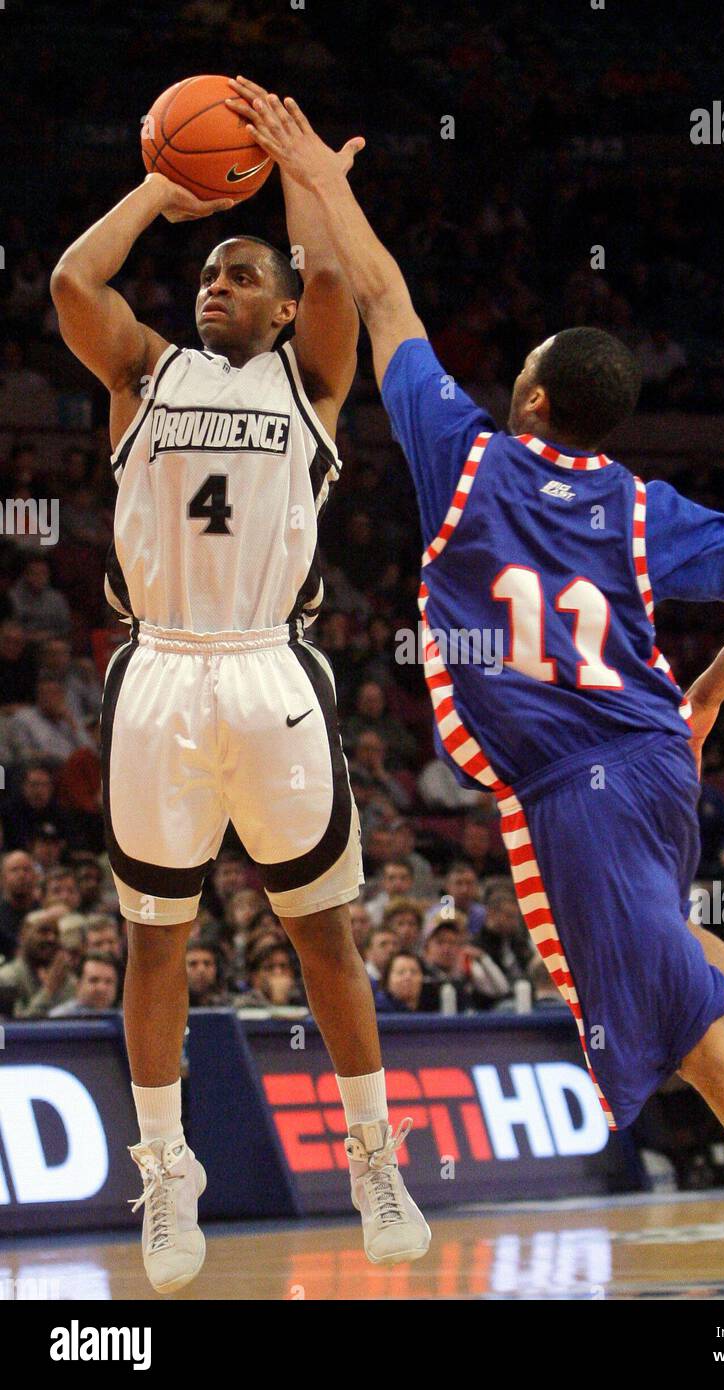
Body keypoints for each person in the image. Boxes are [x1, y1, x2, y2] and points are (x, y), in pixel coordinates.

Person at [265, 93, 724, 1291]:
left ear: (538, 401)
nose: (509, 370)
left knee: (694, 1045)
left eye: (525, 366)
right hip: (656, 762)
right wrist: (707, 697)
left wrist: (317, 178)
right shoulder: (643, 506)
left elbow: (386, 293)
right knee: (687, 951)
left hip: (580, 791)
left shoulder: (467, 458)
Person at [49, 72, 429, 1294]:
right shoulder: (143, 372)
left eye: (241, 276)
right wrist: (159, 189)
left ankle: (375, 1156)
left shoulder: (307, 381)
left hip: (270, 670)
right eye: (209, 272)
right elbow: (71, 284)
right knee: (155, 940)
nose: (219, 285)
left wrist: (314, 186)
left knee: (320, 931)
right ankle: (167, 1171)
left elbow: (334, 283)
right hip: (158, 671)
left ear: (274, 311)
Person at [48, 951, 120, 1017]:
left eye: (108, 981)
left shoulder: (124, 1019)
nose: (102, 988)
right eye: (94, 980)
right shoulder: (58, 1019)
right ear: (78, 984)